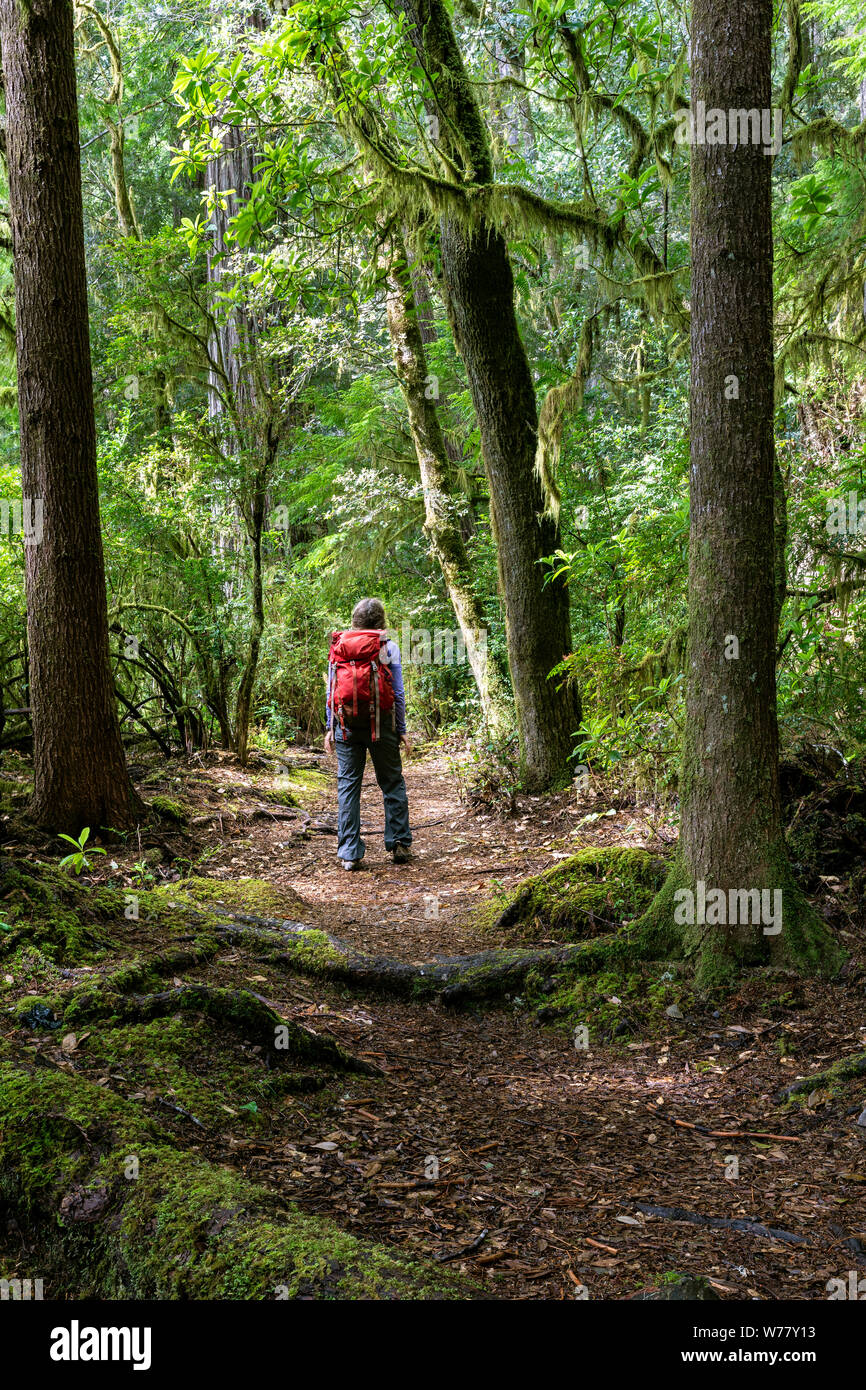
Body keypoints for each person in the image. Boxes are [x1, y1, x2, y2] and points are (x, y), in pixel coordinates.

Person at [324, 597, 413, 869]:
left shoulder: (339, 645)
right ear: (381, 620)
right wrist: (402, 730)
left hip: (346, 725)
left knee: (348, 786)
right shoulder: (388, 647)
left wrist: (330, 727)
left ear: (355, 620)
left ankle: (349, 853)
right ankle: (398, 843)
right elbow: (396, 692)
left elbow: (331, 691)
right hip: (381, 724)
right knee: (392, 782)